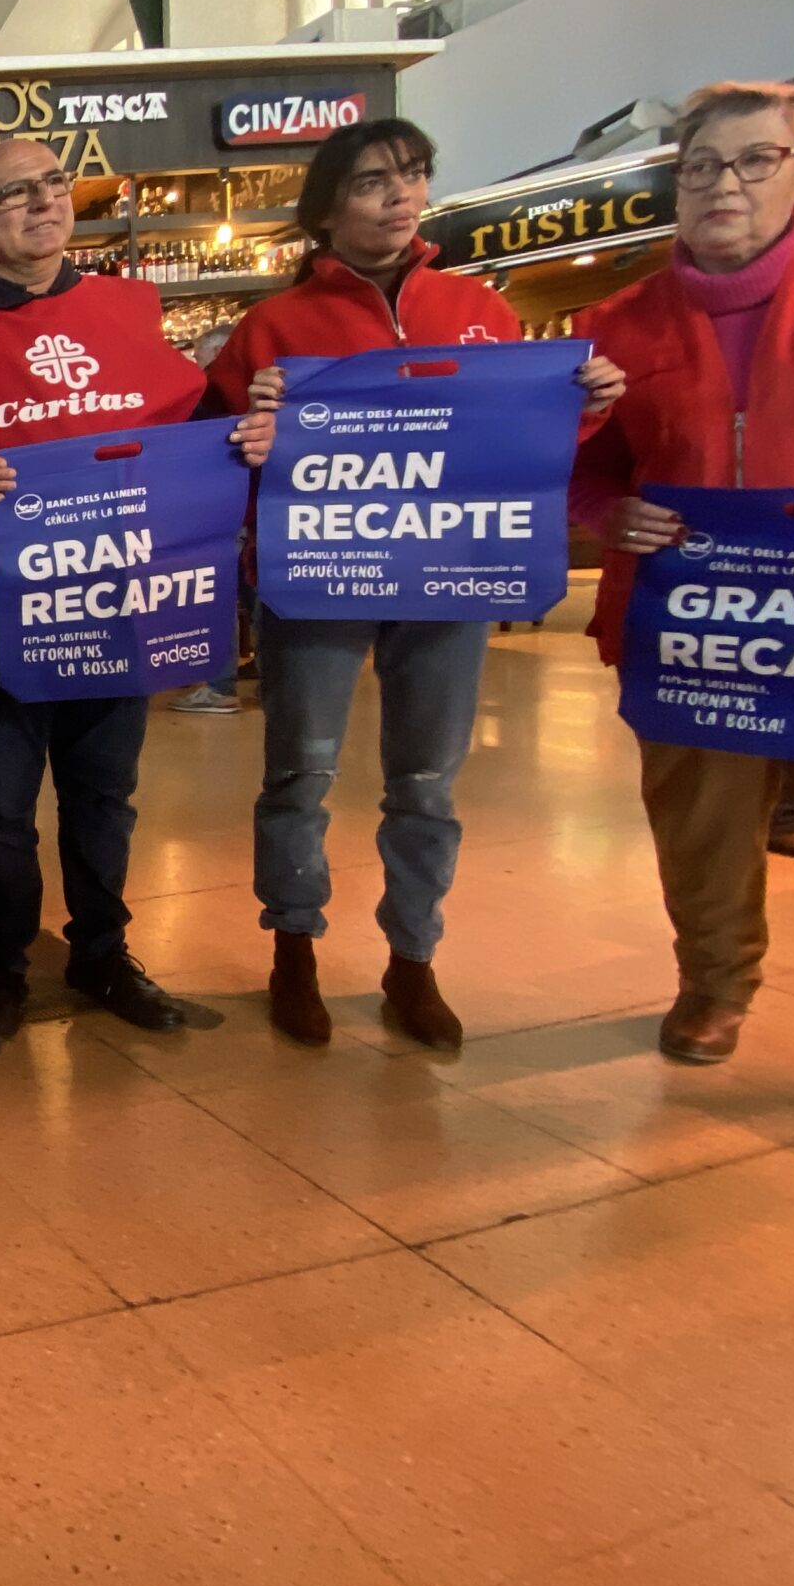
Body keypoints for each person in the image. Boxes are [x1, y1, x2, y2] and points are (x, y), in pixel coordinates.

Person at [209, 118, 624, 1050]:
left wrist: (584, 413)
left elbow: (516, 453)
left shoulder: (482, 310)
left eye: (412, 176)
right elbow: (224, 454)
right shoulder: (275, 327)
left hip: (448, 572)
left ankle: (413, 957)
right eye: (370, 182)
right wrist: (254, 427)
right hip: (319, 572)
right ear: (325, 211)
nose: (398, 196)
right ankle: (295, 946)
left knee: (429, 779)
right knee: (299, 771)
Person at [0, 141, 275, 1049]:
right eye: (14, 192)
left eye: (53, 183)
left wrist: (246, 435)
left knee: (106, 794)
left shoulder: (129, 308)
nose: (43, 202)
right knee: (4, 808)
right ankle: (2, 965)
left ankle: (102, 951)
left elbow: (194, 429)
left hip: (120, 597)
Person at [569, 79, 794, 1064]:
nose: (725, 184)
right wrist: (607, 515)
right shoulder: (618, 324)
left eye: (754, 160)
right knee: (700, 818)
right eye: (702, 166)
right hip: (691, 621)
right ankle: (714, 981)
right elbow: (580, 465)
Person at [168, 322, 251, 715]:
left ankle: (219, 686)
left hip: (210, 505)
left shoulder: (208, 394)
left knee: (216, 594)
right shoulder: (251, 395)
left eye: (201, 357)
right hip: (246, 501)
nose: (198, 365)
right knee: (250, 591)